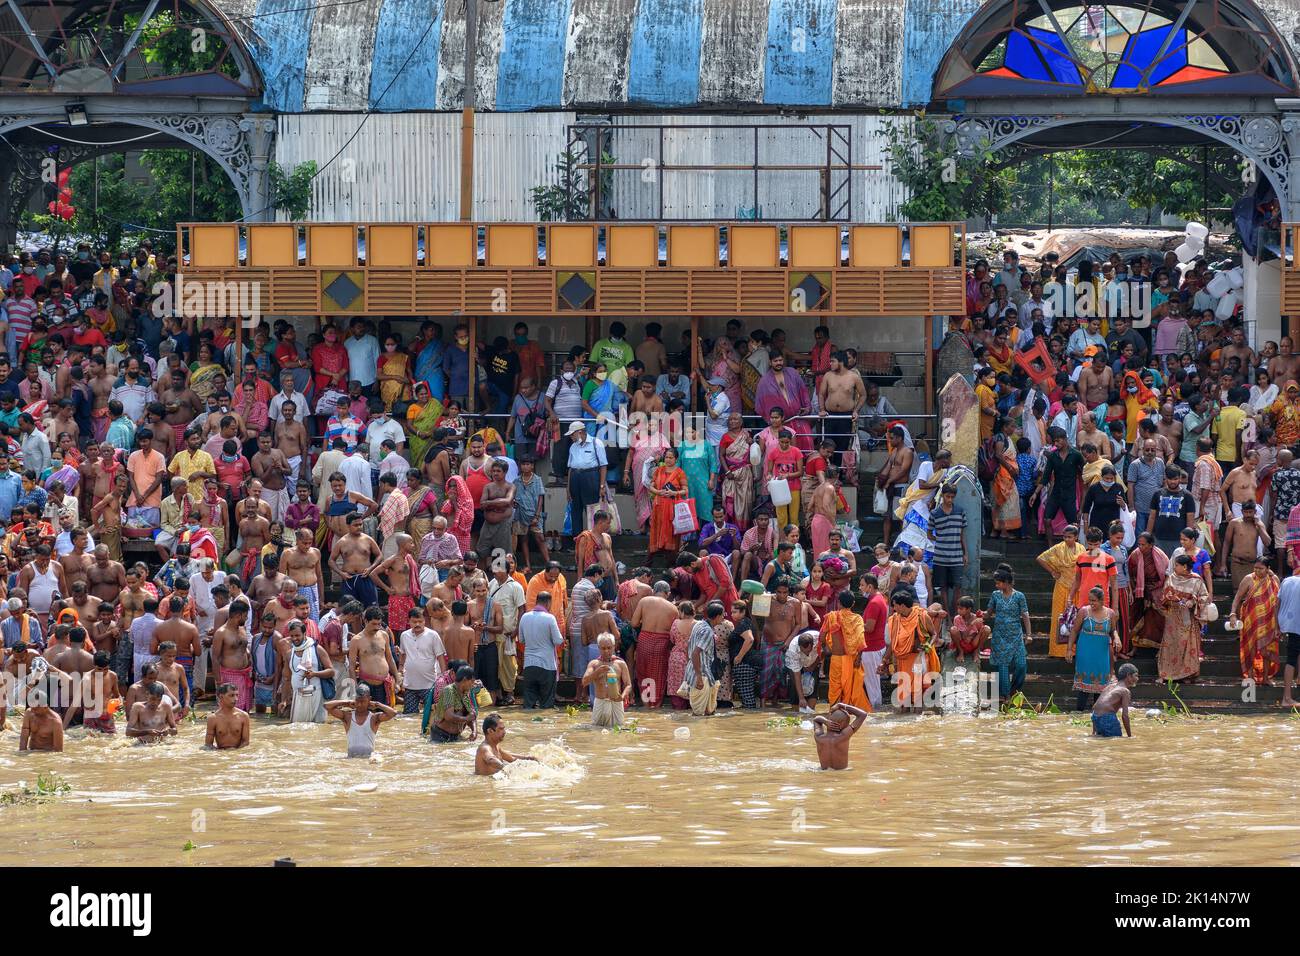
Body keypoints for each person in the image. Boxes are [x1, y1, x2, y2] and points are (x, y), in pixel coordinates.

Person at [1228, 556, 1281, 686]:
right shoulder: (1248, 579)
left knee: (1266, 650)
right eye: (1255, 568)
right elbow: (1237, 598)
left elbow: (1279, 601)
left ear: (1268, 568)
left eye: (1261, 568)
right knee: (1250, 648)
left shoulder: (1274, 579)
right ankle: (1250, 676)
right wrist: (1233, 613)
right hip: (1251, 620)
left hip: (1270, 620)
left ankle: (1265, 677)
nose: (1257, 570)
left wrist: (1280, 624)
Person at [1067, 585, 1119, 712]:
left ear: (1102, 601)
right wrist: (1069, 649)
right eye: (1090, 600)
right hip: (1085, 652)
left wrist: (1117, 638)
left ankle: (1097, 716)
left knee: (1101, 687)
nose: (1091, 603)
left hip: (1102, 653)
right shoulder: (1084, 611)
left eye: (1094, 600)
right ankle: (1079, 712)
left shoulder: (1110, 613)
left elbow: (1113, 631)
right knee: (1084, 687)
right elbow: (1074, 631)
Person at [325, 685, 396, 758]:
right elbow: (326, 706)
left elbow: (393, 713)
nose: (359, 704)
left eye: (363, 701)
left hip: (368, 759)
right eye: (357, 701)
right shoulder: (347, 717)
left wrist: (378, 705)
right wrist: (346, 702)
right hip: (351, 759)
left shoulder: (374, 718)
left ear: (369, 700)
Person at [583, 633, 632, 726]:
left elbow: (628, 684)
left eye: (609, 648)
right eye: (603, 648)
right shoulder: (594, 664)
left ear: (614, 647)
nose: (606, 651)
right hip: (600, 701)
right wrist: (597, 672)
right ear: (598, 648)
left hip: (616, 702)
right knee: (596, 731)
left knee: (618, 731)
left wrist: (623, 696)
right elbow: (584, 682)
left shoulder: (620, 664)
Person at [812, 702, 868, 771]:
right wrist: (841, 705)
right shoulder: (843, 736)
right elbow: (863, 714)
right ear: (841, 725)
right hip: (842, 774)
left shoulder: (819, 737)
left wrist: (825, 721)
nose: (847, 726)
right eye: (847, 724)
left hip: (823, 774)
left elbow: (816, 719)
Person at [1091, 663, 1139, 737]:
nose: (1137, 679)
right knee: (1117, 743)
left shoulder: (1109, 686)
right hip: (1107, 718)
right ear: (1129, 676)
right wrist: (1130, 736)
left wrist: (1094, 731)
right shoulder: (1125, 691)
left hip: (1095, 716)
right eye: (1136, 675)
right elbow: (1125, 716)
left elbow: (1095, 707)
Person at [203, 681, 250, 749]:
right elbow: (208, 745)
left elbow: (245, 743)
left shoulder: (244, 716)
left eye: (237, 695)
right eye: (231, 695)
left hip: (238, 754)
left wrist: (236, 754)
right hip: (221, 754)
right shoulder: (212, 718)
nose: (236, 699)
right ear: (221, 697)